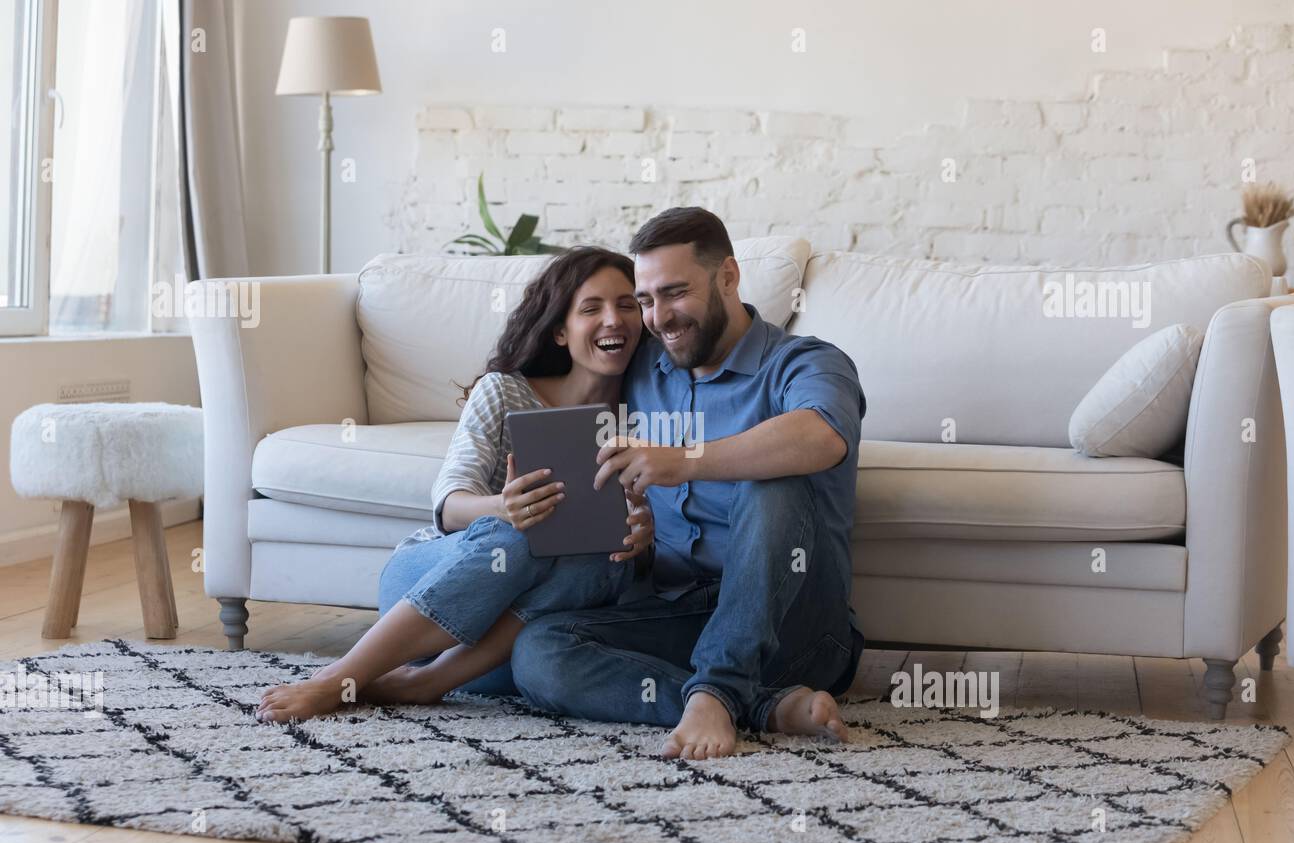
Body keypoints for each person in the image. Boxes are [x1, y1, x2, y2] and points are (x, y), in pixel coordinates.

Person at [509, 207, 866, 760]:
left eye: (675, 293)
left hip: (798, 626)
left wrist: (687, 459)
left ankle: (720, 689)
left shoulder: (806, 362)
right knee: (540, 652)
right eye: (646, 299)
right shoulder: (645, 368)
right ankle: (761, 706)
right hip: (685, 614)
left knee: (771, 482)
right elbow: (571, 367)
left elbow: (820, 436)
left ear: (728, 276)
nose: (658, 317)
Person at [256, 247, 654, 723]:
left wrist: (641, 538)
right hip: (435, 583)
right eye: (592, 308)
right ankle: (337, 678)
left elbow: (658, 558)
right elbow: (449, 506)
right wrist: (503, 508)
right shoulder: (505, 390)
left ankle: (424, 684)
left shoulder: (650, 416)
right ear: (560, 330)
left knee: (603, 558)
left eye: (628, 305)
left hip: (512, 645)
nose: (614, 319)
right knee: (516, 536)